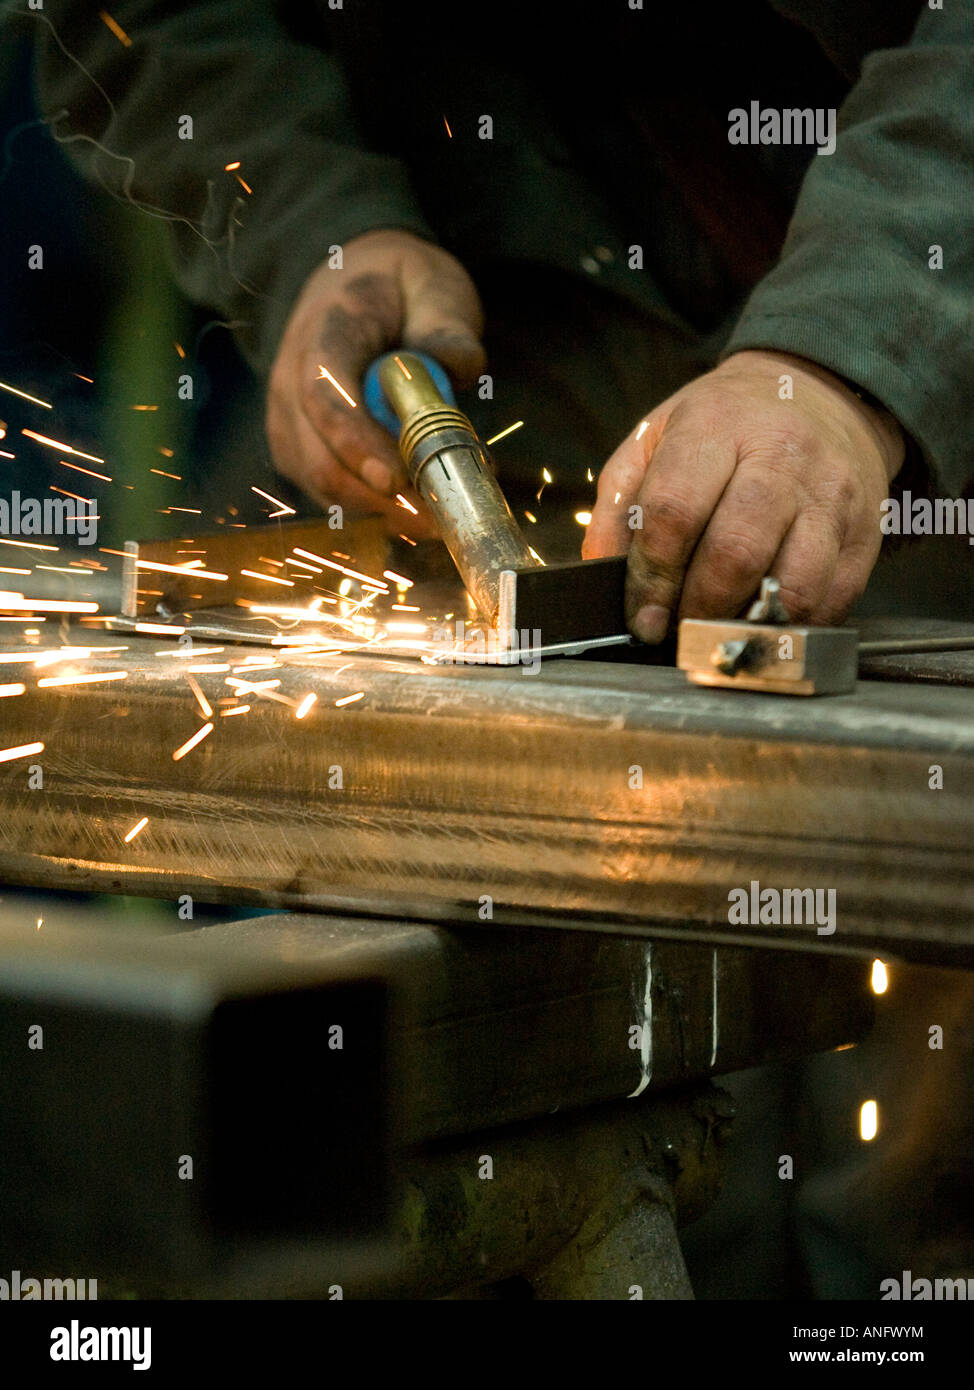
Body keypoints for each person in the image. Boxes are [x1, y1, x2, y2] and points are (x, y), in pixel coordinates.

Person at [25, 0, 974, 633]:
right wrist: (315, 229)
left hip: (901, 321)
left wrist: (849, 355)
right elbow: (142, 13)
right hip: (490, 314)